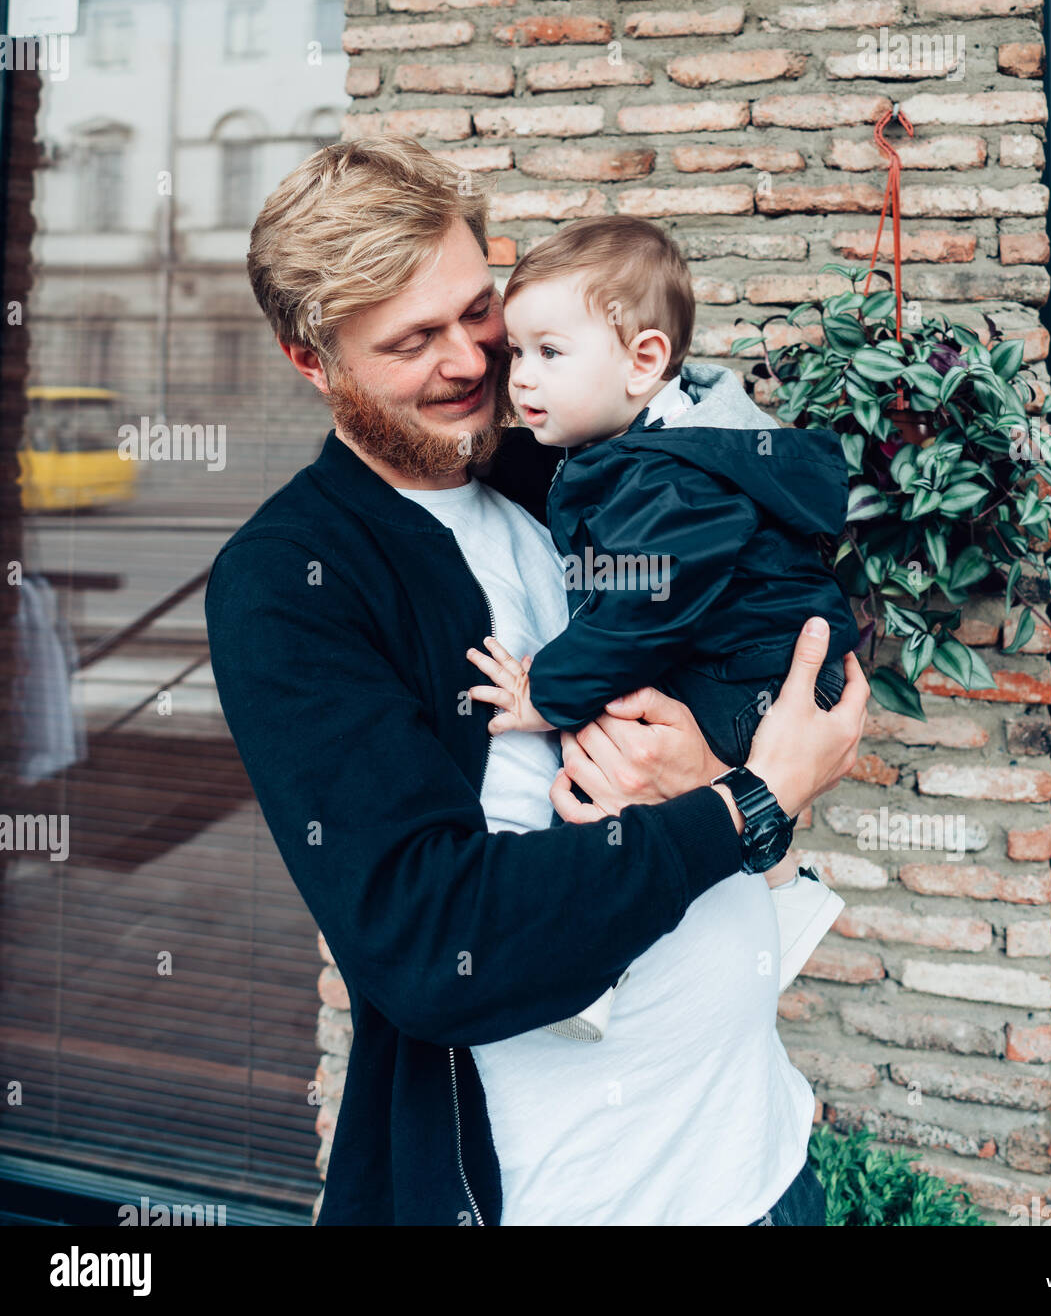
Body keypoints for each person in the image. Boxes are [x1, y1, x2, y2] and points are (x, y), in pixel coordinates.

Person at [205, 134, 869, 1226]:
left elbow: (797, 653)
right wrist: (746, 803)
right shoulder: (290, 585)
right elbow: (430, 940)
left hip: (761, 1154)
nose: (474, 361)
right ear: (311, 361)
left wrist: (725, 764)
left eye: (478, 311)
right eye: (414, 339)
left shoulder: (569, 463)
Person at [468, 215, 859, 1041]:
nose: (519, 380)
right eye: (515, 353)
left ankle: (590, 967)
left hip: (765, 674)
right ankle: (776, 898)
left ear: (644, 360)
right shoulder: (644, 442)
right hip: (745, 658)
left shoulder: (670, 475)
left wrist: (549, 691)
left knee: (608, 758)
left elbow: (641, 607)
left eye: (548, 352)